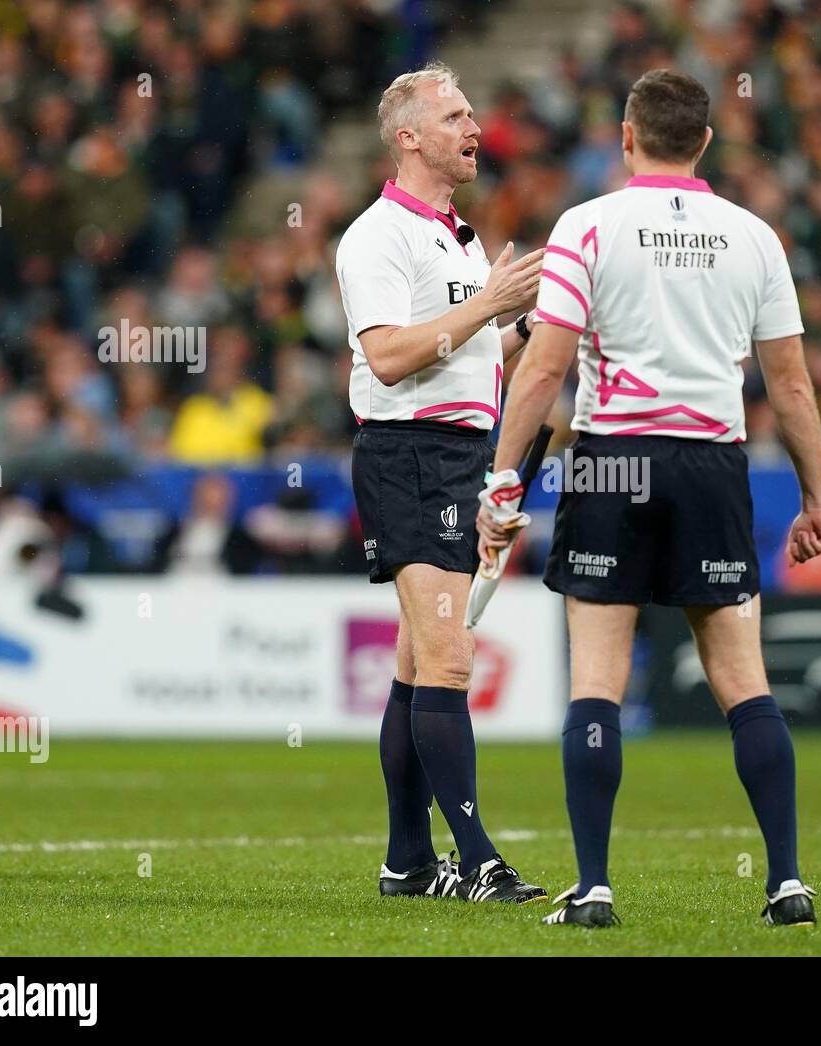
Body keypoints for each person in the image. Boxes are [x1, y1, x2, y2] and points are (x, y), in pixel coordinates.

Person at [477, 69, 821, 927]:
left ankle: (594, 887)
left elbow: (545, 366)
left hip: (612, 462)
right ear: (705, 142)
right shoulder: (754, 236)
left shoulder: (588, 225)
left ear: (626, 137)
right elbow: (789, 383)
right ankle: (786, 882)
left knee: (596, 679)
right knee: (743, 680)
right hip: (713, 463)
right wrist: (816, 499)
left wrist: (503, 474)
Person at [335, 62, 547, 904]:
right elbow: (386, 356)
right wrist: (489, 303)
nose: (474, 128)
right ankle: (479, 860)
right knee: (451, 658)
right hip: (407, 456)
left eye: (473, 113)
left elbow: (471, 362)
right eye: (456, 115)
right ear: (409, 136)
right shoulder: (376, 236)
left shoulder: (457, 235)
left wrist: (532, 326)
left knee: (421, 659)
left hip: (457, 454)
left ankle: (407, 863)